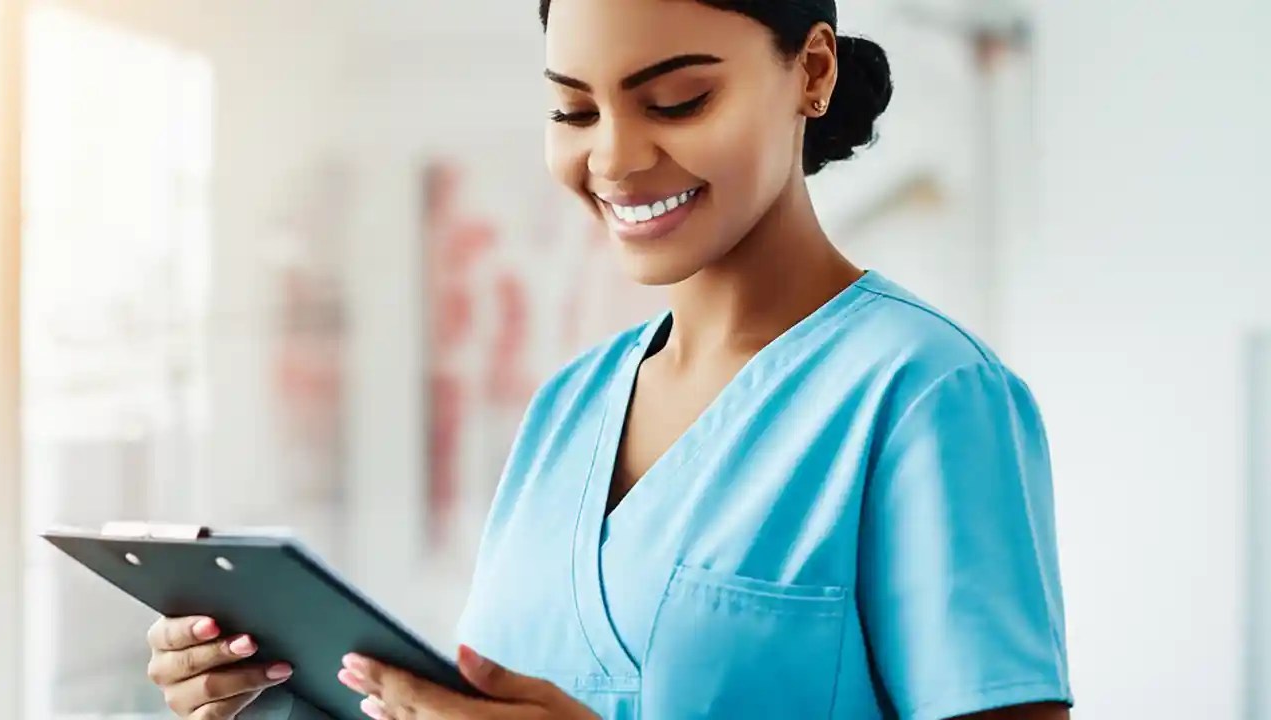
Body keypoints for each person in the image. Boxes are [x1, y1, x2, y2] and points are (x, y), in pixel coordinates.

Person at [144, 0, 1074, 717]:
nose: (616, 158)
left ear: (813, 72)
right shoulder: (570, 406)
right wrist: (275, 692)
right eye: (574, 109)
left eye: (678, 101)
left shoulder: (926, 392)